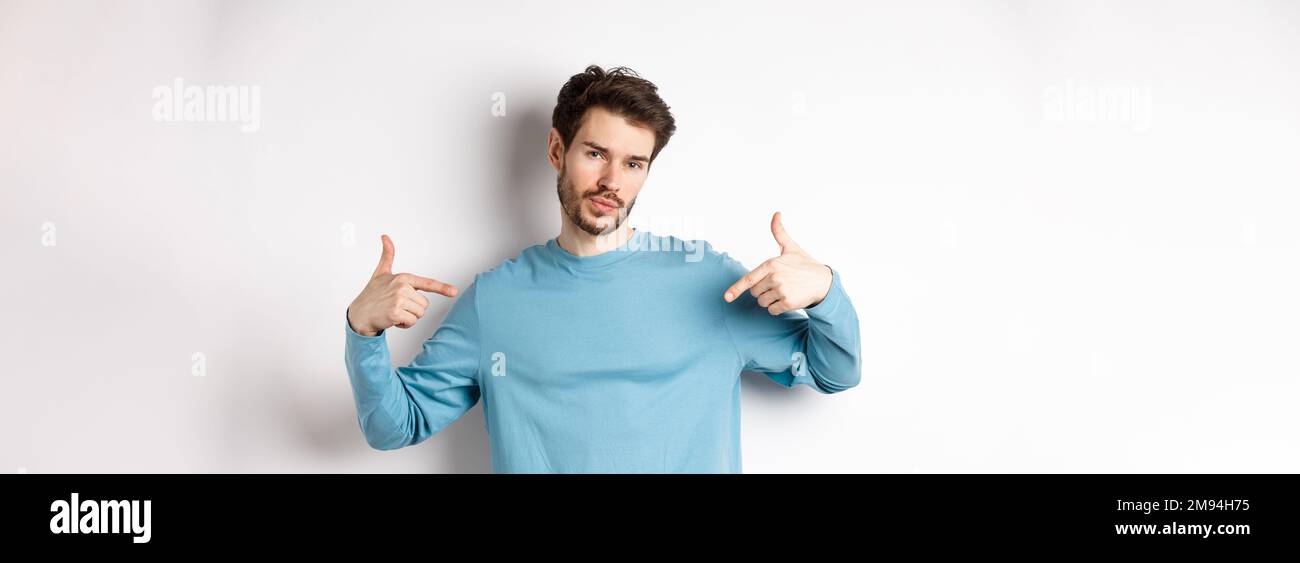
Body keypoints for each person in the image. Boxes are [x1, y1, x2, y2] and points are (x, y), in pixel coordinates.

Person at [343, 65, 861, 473]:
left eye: (634, 164)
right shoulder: (496, 300)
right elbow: (395, 426)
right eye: (595, 153)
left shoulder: (707, 280)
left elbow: (834, 372)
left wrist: (825, 293)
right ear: (556, 150)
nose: (613, 180)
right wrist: (363, 332)